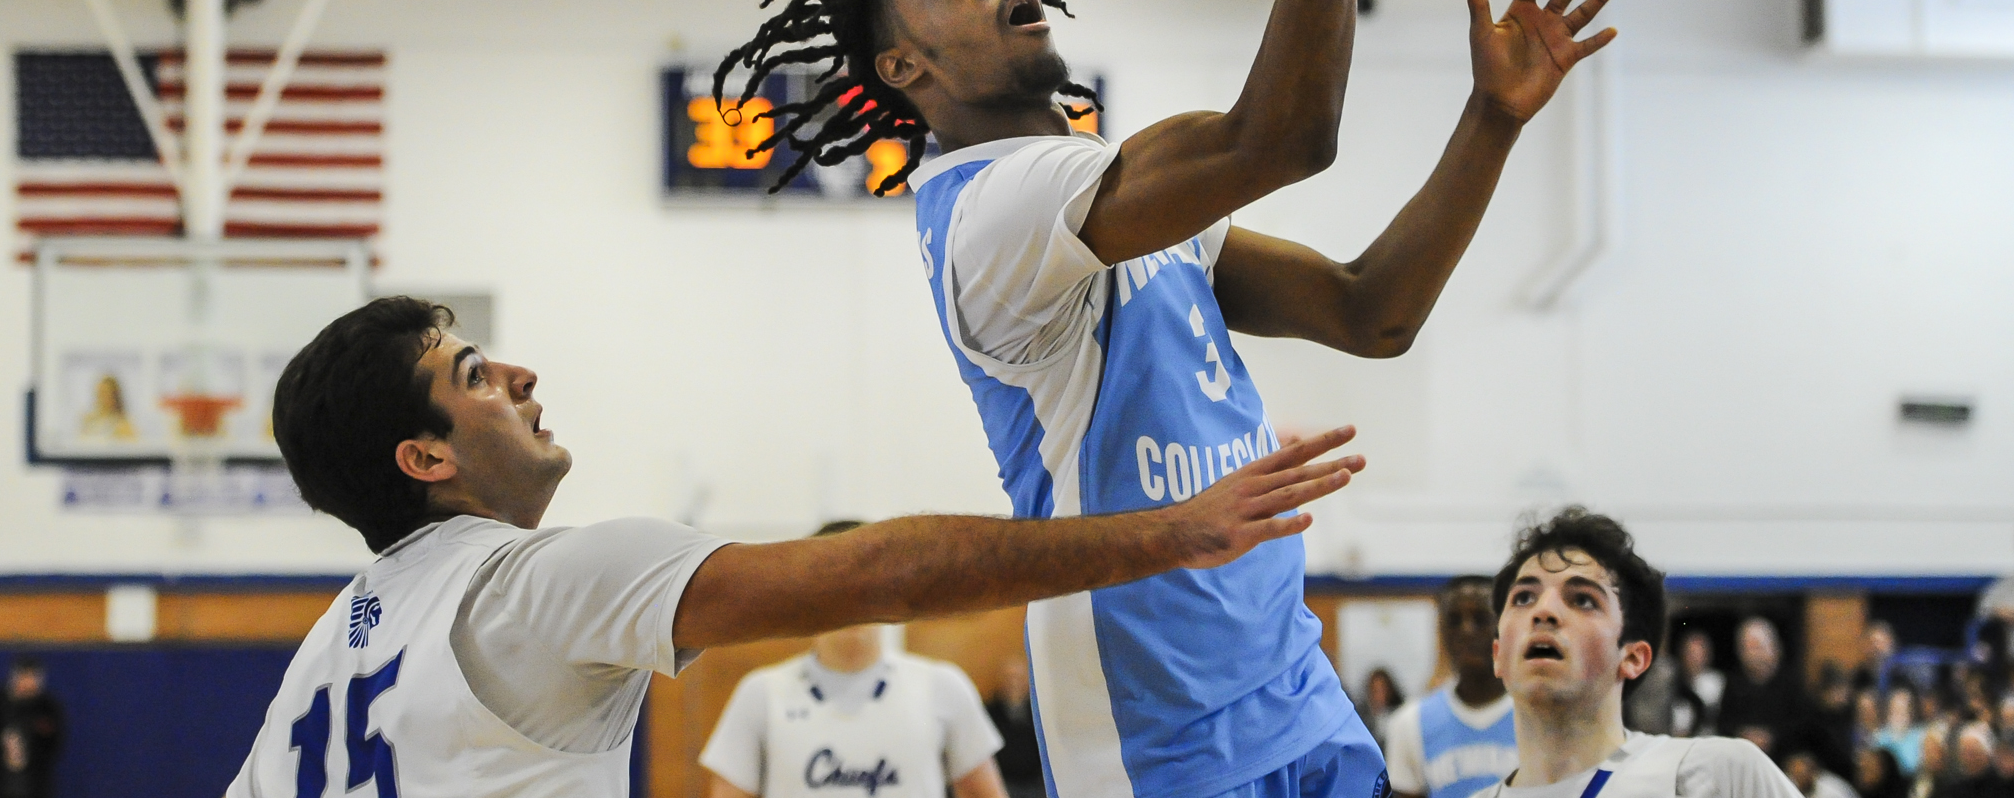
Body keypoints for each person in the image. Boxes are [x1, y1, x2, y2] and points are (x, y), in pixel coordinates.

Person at [716, 0, 1618, 798]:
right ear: (904, 68)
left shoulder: (1115, 194)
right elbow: (1282, 137)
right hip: (1152, 735)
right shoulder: (991, 212)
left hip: (1292, 689)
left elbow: (1367, 310)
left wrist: (1490, 121)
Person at [225, 298, 1363, 798]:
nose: (516, 373)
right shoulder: (540, 583)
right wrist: (1173, 530)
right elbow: (881, 572)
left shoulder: (335, 643)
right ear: (424, 459)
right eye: (472, 374)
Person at [1471, 506, 1797, 798]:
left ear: (1632, 657)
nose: (1544, 611)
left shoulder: (1714, 774)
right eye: (1524, 597)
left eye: (1582, 599)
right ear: (1498, 654)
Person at [700, 522, 1007, 798]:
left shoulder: (942, 686)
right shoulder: (760, 693)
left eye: (867, 582)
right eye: (834, 584)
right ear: (804, 596)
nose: (852, 597)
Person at [1387, 578, 1518, 798]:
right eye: (1454, 620)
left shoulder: (1541, 715)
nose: (1467, 631)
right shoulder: (1409, 722)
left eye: (1481, 619)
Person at [1722, 620, 1815, 758]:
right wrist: (1743, 735)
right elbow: (1724, 723)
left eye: (1757, 647)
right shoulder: (1734, 684)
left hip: (1783, 758)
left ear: (1773, 648)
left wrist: (1771, 737)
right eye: (1746, 648)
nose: (1753, 655)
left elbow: (1803, 726)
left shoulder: (1791, 683)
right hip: (1743, 757)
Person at [0, 656, 64, 798]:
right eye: (23, 676)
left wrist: (28, 752)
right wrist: (4, 748)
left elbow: (54, 743)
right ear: (14, 677)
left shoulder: (48, 708)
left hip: (34, 785)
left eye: (32, 677)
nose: (27, 683)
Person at [986, 654, 1046, 798]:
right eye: (1008, 678)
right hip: (1002, 783)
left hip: (1035, 784)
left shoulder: (1039, 713)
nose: (1013, 683)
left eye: (1018, 678)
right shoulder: (988, 713)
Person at [1675, 634, 1726, 739]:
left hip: (1710, 739)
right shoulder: (1674, 684)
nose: (1694, 658)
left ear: (1707, 655)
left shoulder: (1717, 682)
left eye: (1698, 654)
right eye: (1690, 653)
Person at [1363, 671, 1406, 751]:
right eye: (1375, 691)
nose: (1379, 695)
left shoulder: (1400, 717)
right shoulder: (1363, 719)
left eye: (1382, 690)